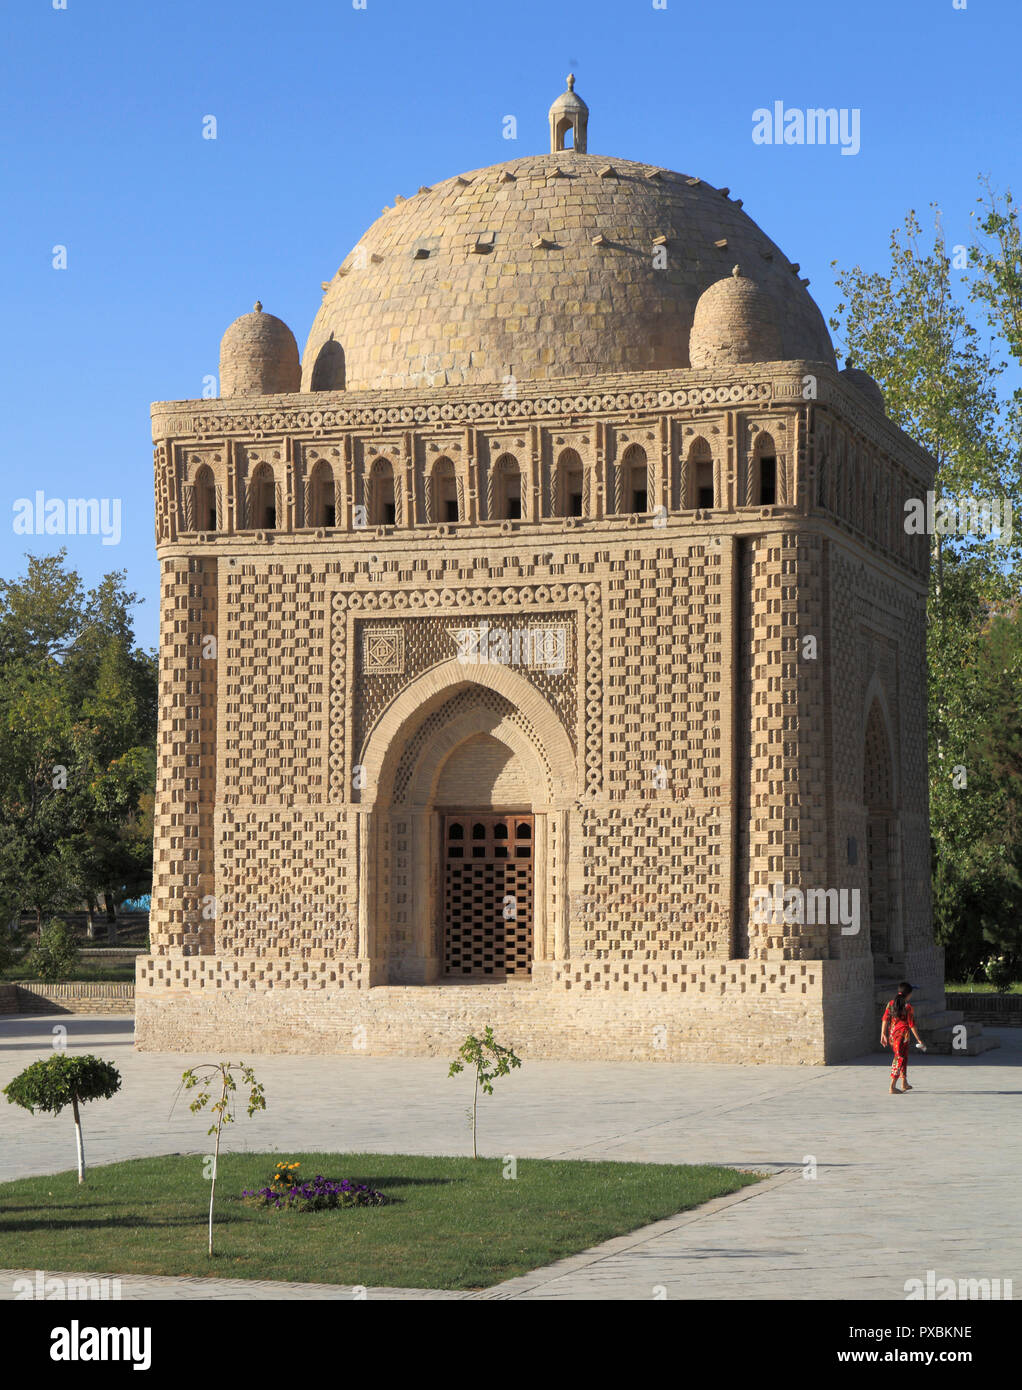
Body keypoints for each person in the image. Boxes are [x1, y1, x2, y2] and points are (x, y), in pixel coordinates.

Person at [881, 982, 926, 1093]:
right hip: (902, 1037)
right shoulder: (908, 1007)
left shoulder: (891, 1004)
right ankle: (892, 1086)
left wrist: (883, 1034)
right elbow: (912, 1025)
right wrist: (919, 1039)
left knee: (903, 1057)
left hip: (893, 1037)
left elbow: (885, 1019)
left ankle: (904, 1082)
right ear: (909, 994)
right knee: (899, 1058)